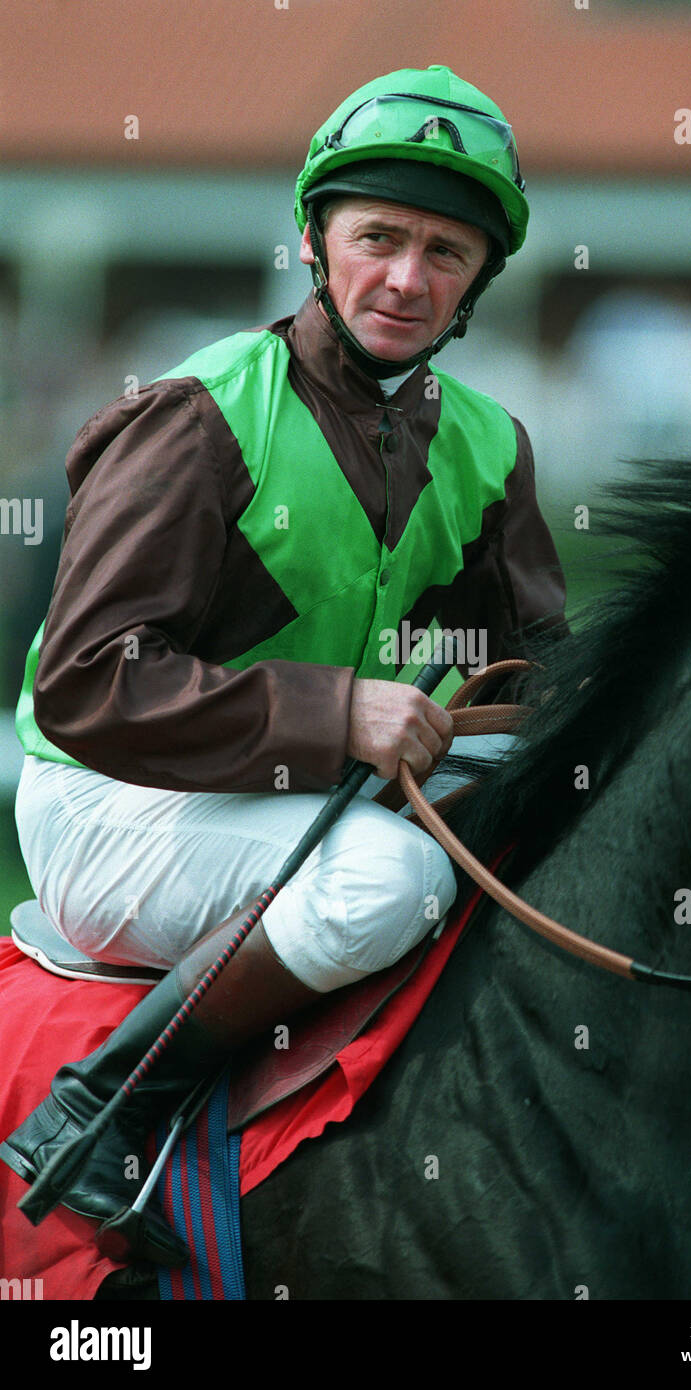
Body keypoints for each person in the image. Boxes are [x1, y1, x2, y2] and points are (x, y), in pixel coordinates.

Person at [1, 64, 567, 1266]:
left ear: (478, 280)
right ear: (314, 242)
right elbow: (88, 684)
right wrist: (336, 714)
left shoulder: (485, 445)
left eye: (444, 253)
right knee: (388, 885)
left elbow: (538, 682)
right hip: (109, 798)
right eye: (378, 238)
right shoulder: (198, 416)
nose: (405, 279)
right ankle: (101, 1103)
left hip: (288, 792)